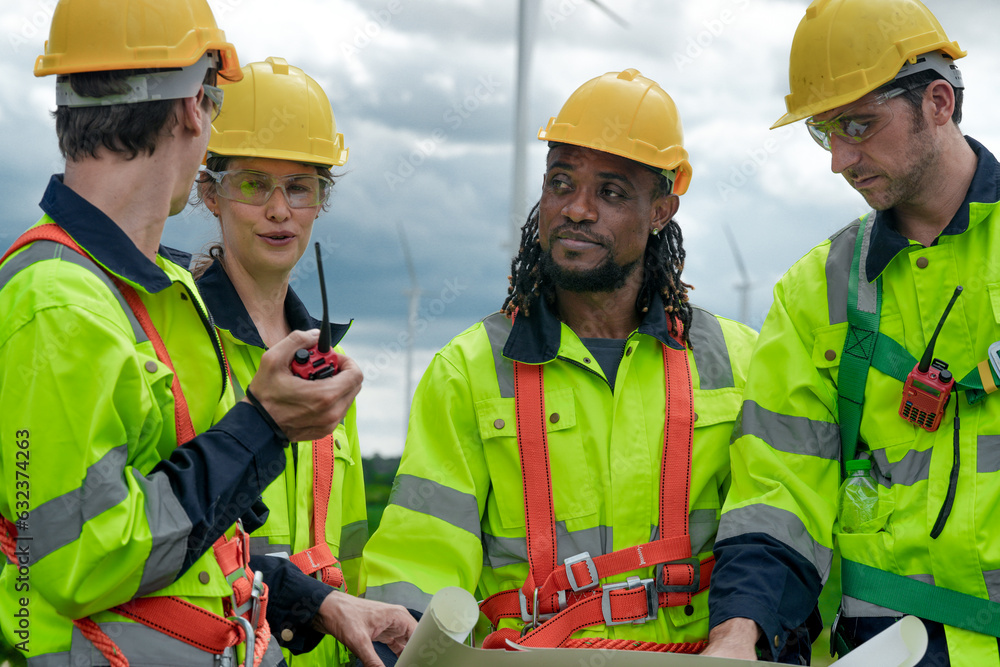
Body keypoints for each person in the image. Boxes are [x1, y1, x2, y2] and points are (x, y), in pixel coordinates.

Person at [0, 2, 410, 665]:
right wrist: (262, 425)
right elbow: (82, 557)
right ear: (194, 106)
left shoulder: (153, 297)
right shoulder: (57, 302)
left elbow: (186, 543)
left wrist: (315, 601)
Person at [359, 68, 757, 663]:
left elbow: (767, 539)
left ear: (661, 210)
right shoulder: (468, 370)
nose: (577, 209)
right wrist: (397, 652)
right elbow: (422, 553)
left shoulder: (736, 361)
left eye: (613, 192)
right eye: (560, 182)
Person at [703, 0, 1000, 664]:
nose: (839, 159)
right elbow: (778, 487)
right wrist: (739, 629)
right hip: (887, 651)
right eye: (823, 133)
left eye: (859, 126)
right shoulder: (816, 292)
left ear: (939, 103)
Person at [194, 57, 407, 667]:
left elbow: (351, 551)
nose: (280, 210)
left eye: (300, 187)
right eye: (255, 184)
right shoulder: (177, 344)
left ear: (321, 200)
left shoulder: (331, 369)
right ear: (211, 194)